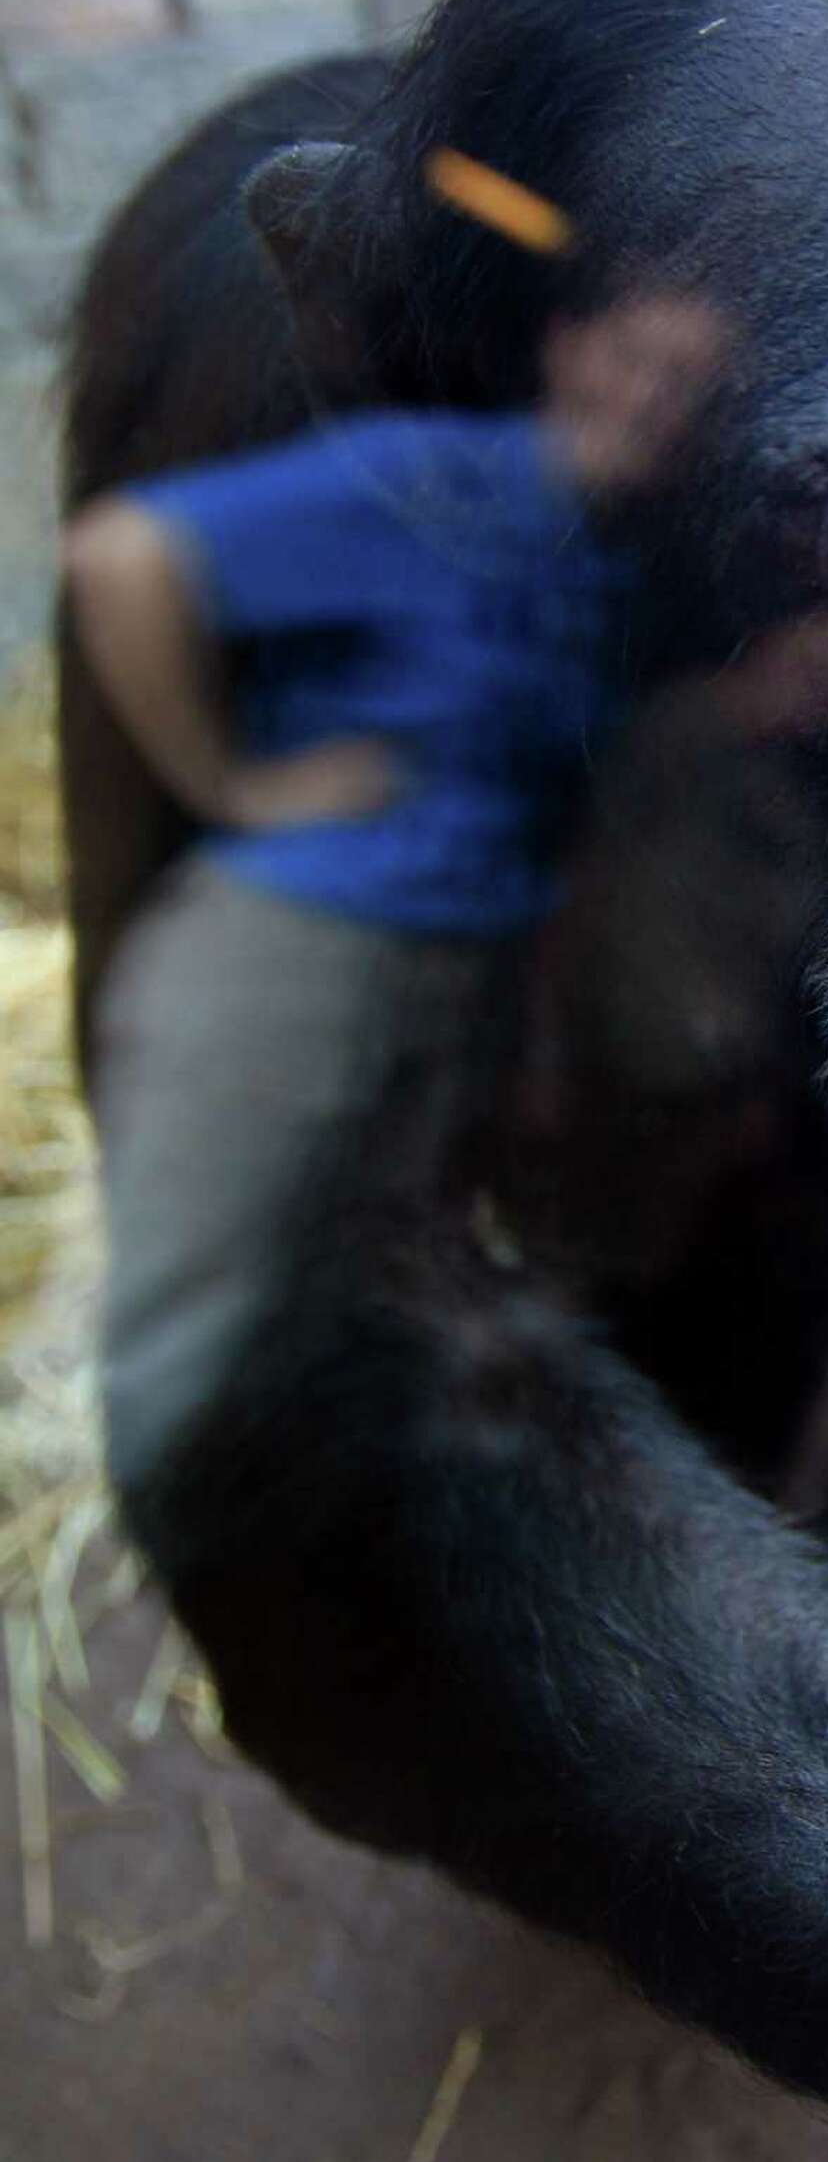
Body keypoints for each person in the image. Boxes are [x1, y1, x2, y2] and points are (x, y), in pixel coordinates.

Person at [64, 293, 722, 1490]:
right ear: (569, 348)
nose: (654, 401)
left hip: (456, 988)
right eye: (638, 360)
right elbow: (123, 556)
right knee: (187, 1341)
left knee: (357, 1315)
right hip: (295, 959)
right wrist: (230, 780)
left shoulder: (616, 558)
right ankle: (135, 1605)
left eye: (693, 387)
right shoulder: (424, 480)